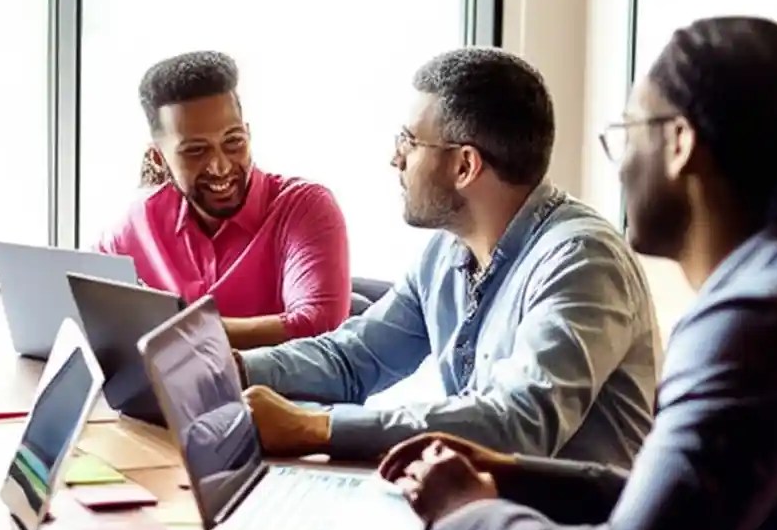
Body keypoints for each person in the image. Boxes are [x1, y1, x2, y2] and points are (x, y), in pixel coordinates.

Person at [381, 17, 777, 530]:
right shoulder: (776, 290)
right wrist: (507, 473)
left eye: (629, 132)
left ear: (680, 142)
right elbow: (665, 508)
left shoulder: (748, 325)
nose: (620, 163)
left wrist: (462, 511)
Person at [237, 47, 659, 468]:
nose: (395, 158)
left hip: (569, 527)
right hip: (479, 508)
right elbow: (353, 359)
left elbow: (518, 424)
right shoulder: (445, 252)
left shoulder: (582, 261)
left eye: (409, 141)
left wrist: (319, 428)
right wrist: (229, 371)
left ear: (465, 166)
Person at [96, 51, 351, 350]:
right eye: (195, 151)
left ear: (248, 134)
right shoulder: (137, 221)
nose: (221, 166)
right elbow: (83, 309)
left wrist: (167, 329)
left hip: (279, 395)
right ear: (159, 157)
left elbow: (317, 325)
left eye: (233, 142)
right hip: (168, 394)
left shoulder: (304, 207)